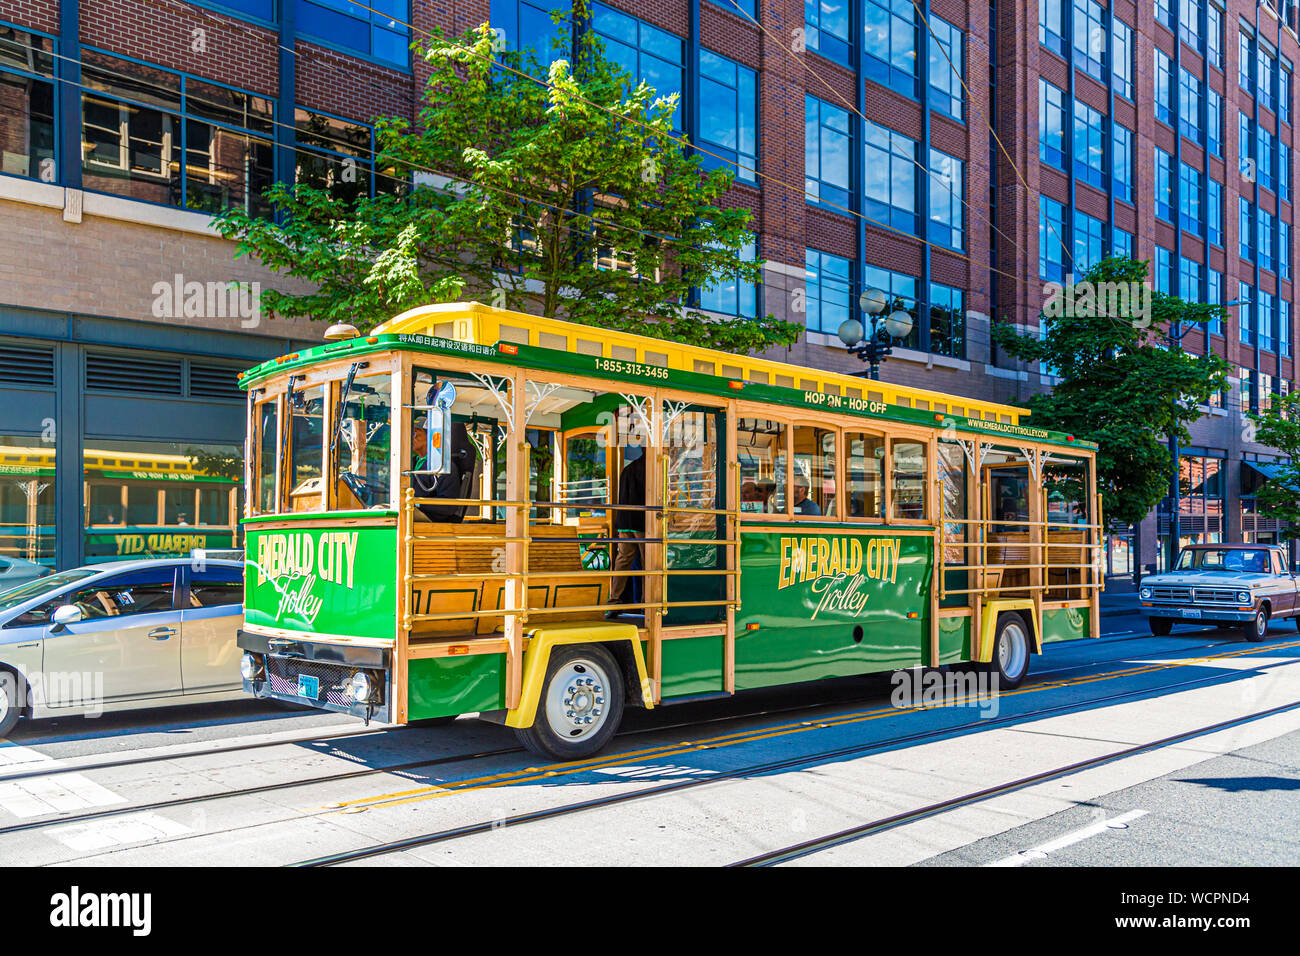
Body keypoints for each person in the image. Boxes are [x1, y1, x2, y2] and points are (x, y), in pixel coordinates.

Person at [413, 414, 479, 522]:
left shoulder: (443, 466)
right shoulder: (411, 462)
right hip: (412, 511)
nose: (411, 437)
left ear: (430, 435)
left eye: (415, 433)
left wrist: (417, 503)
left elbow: (449, 505)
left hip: (431, 520)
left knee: (402, 514)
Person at [607, 448, 646, 616]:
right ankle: (647, 601)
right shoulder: (651, 468)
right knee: (649, 563)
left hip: (624, 522)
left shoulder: (628, 468)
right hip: (642, 523)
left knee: (623, 560)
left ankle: (614, 600)